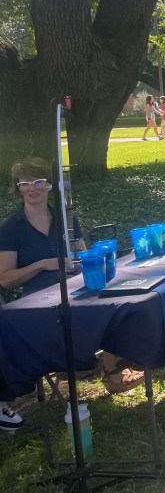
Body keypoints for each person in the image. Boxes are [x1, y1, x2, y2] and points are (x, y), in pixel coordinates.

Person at [0, 158, 143, 394]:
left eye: (38, 181)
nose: (32, 188)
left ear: (49, 185)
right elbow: (5, 279)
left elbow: (82, 255)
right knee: (95, 309)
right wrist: (43, 264)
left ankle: (116, 362)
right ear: (17, 188)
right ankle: (111, 368)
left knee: (118, 299)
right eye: (24, 183)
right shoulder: (10, 228)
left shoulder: (65, 219)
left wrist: (86, 260)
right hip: (39, 300)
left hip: (74, 285)